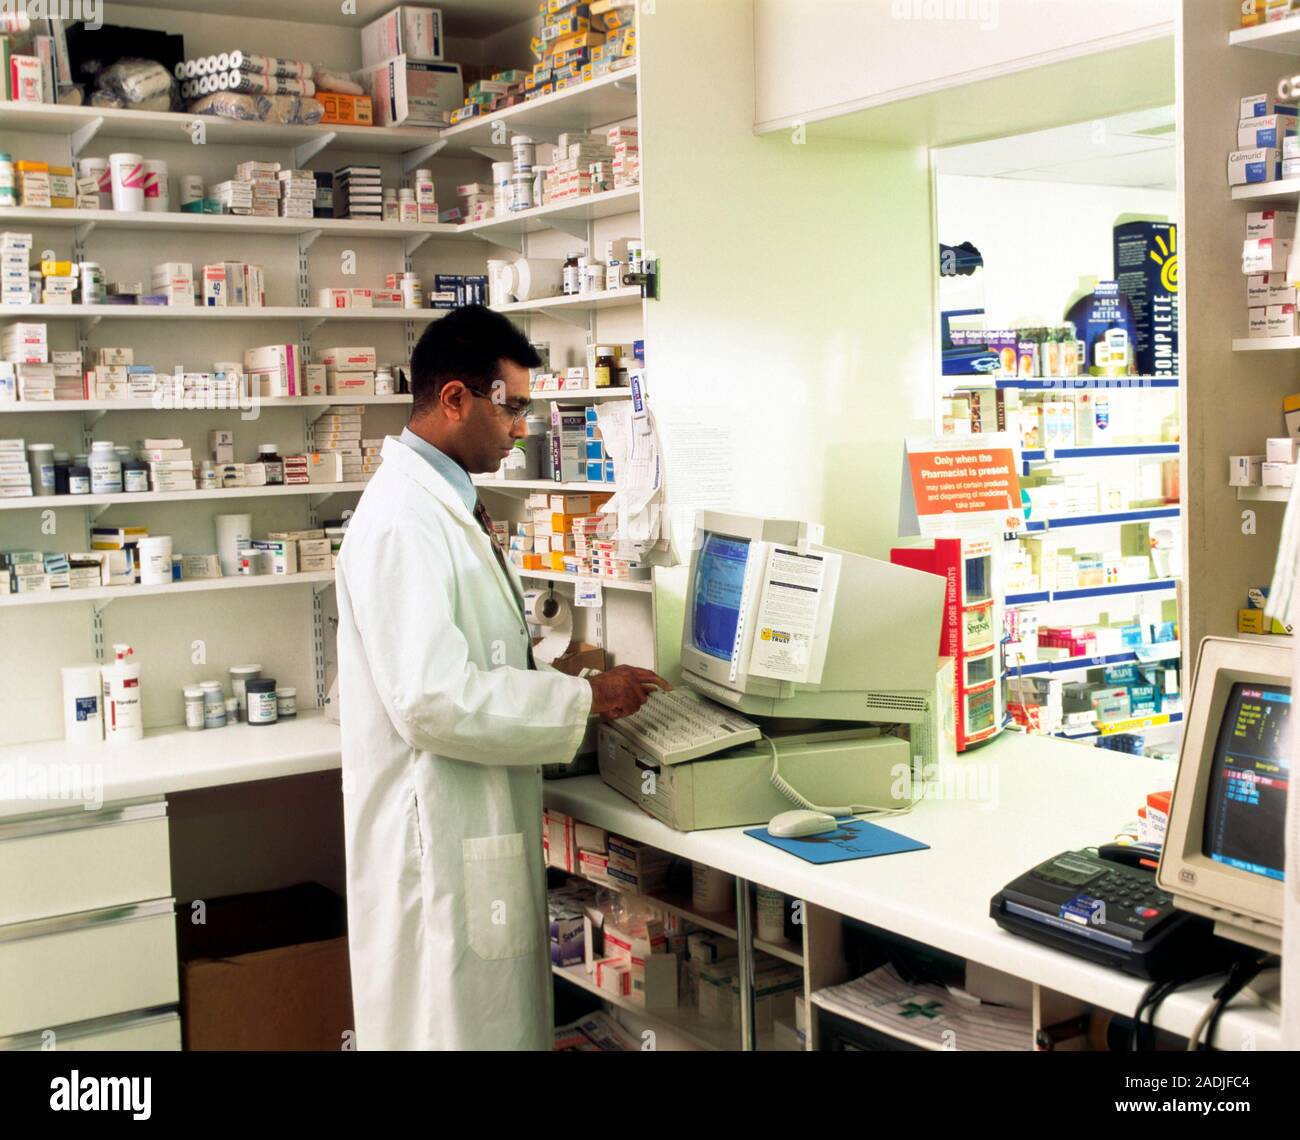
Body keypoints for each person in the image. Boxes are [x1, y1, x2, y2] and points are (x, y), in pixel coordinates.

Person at [335, 305, 670, 1051]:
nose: (521, 427)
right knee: (452, 1027)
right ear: (456, 398)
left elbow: (463, 664)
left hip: (471, 825)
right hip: (437, 846)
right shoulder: (401, 521)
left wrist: (557, 676)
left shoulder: (444, 504)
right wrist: (584, 699)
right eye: (512, 406)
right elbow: (432, 698)